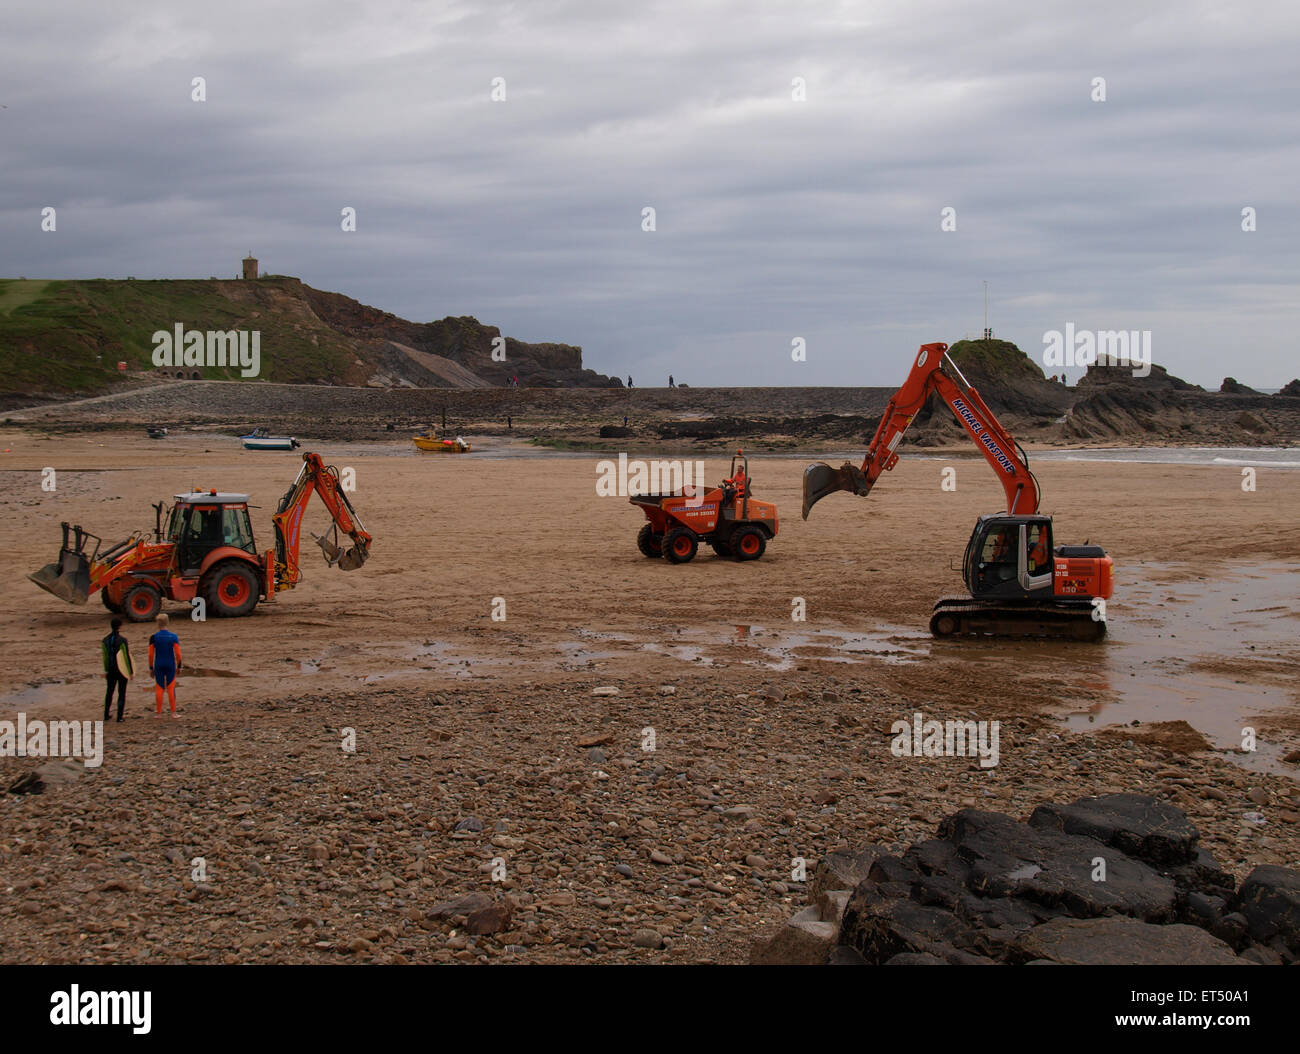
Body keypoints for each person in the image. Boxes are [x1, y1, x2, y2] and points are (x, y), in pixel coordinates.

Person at [149, 613, 182, 718]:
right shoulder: (173, 636)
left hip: (158, 663)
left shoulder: (153, 637)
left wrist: (151, 667)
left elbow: (150, 654)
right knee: (171, 687)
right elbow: (178, 654)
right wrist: (179, 666)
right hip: (170, 664)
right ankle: (173, 713)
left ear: (157, 624)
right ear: (168, 622)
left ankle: (158, 713)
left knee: (159, 687)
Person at [101, 617, 132, 722]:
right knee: (121, 693)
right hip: (121, 670)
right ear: (120, 627)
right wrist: (130, 671)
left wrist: (106, 670)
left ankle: (106, 715)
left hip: (111, 669)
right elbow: (126, 657)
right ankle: (119, 717)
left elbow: (105, 657)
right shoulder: (123, 640)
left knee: (109, 692)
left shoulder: (105, 640)